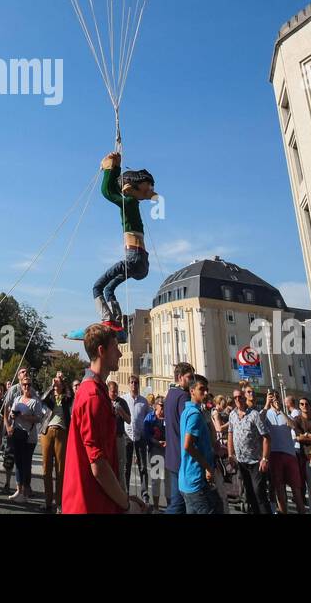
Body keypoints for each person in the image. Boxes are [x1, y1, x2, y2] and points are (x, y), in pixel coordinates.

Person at [61, 324, 147, 514]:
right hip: (89, 503)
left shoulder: (95, 391)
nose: (120, 354)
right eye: (115, 347)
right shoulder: (92, 396)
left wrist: (121, 497)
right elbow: (98, 463)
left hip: (97, 499)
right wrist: (126, 504)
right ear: (102, 350)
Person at [91, 150, 155, 329]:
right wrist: (116, 168)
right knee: (109, 288)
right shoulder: (131, 204)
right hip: (142, 264)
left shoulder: (129, 203)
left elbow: (107, 192)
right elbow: (114, 191)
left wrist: (109, 169)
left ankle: (108, 319)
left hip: (134, 258)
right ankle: (118, 322)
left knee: (97, 288)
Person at [227, 385, 271, 514]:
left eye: (240, 396)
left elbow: (266, 437)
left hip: (255, 462)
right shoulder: (232, 415)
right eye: (235, 397)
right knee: (249, 494)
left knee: (259, 493)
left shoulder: (254, 414)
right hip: (241, 462)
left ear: (244, 397)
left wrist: (265, 458)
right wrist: (230, 454)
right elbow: (230, 433)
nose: (237, 399)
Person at [180, 374, 220, 514]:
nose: (205, 392)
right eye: (201, 389)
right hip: (196, 480)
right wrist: (207, 467)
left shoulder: (191, 411)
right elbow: (188, 445)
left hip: (190, 480)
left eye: (206, 389)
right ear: (192, 391)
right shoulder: (194, 414)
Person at [7, 375, 46, 503]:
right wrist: (13, 415)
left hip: (29, 437)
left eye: (29, 384)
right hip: (17, 434)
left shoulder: (35, 401)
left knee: (26, 463)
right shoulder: (17, 398)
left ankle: (24, 492)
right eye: (24, 384)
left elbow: (39, 418)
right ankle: (18, 490)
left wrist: (24, 416)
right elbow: (12, 414)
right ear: (21, 386)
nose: (26, 387)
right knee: (18, 463)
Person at [263, 389, 303, 513]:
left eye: (277, 397)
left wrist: (281, 411)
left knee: (296, 488)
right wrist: (266, 404)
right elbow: (258, 421)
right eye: (272, 397)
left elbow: (292, 426)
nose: (275, 399)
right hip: (274, 453)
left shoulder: (286, 414)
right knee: (279, 489)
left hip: (290, 454)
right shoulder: (266, 414)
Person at [162, 363, 194, 514]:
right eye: (189, 377)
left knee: (178, 501)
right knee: (180, 504)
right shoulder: (183, 396)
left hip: (172, 455)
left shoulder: (170, 395)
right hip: (183, 457)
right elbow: (188, 426)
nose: (192, 380)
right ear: (180, 378)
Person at [40, 374, 72, 513]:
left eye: (59, 382)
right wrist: (51, 385)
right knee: (46, 468)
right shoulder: (50, 397)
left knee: (60, 469)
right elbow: (42, 398)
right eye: (56, 381)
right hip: (47, 431)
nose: (57, 383)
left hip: (62, 432)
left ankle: (59, 502)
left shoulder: (66, 398)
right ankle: (48, 501)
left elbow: (71, 394)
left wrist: (64, 381)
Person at [122, 376, 150, 502]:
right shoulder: (123, 399)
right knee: (126, 466)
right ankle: (126, 493)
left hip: (140, 437)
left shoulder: (144, 401)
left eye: (136, 383)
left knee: (143, 467)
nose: (134, 384)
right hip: (127, 437)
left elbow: (148, 419)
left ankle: (145, 495)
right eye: (132, 382)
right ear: (129, 384)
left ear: (139, 385)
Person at [145, 398, 169, 510]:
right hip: (155, 451)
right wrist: (157, 442)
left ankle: (170, 507)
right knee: (156, 480)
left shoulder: (168, 418)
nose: (163, 407)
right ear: (155, 406)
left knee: (168, 481)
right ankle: (155, 507)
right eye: (161, 405)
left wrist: (168, 442)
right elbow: (147, 435)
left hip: (168, 452)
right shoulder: (150, 418)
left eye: (164, 405)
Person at [108, 379, 131, 489]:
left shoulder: (122, 402)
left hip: (119, 437)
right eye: (113, 391)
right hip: (108, 439)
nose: (115, 394)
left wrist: (121, 411)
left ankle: (122, 493)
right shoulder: (104, 401)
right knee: (109, 468)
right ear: (108, 391)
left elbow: (129, 420)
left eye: (116, 391)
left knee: (121, 467)